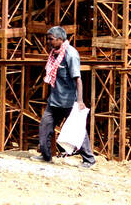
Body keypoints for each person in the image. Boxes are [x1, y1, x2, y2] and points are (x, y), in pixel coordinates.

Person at [37, 26, 95, 167]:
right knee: (45, 127)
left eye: (51, 39)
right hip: (55, 100)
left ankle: (89, 160)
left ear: (60, 40)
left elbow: (78, 79)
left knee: (77, 130)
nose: (48, 41)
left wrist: (80, 101)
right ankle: (46, 156)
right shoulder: (54, 54)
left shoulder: (71, 54)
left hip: (69, 101)